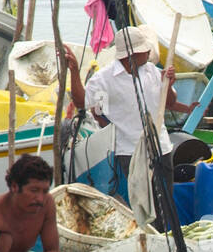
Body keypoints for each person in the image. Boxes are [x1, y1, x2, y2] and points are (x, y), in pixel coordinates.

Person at [63, 26, 196, 204]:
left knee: (166, 202)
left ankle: (163, 231)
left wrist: (169, 82)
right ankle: (148, 231)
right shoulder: (104, 78)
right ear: (131, 55)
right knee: (142, 204)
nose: (149, 52)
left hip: (161, 147)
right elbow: (82, 102)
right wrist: (74, 71)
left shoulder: (151, 71)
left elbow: (170, 102)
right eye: (144, 50)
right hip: (130, 151)